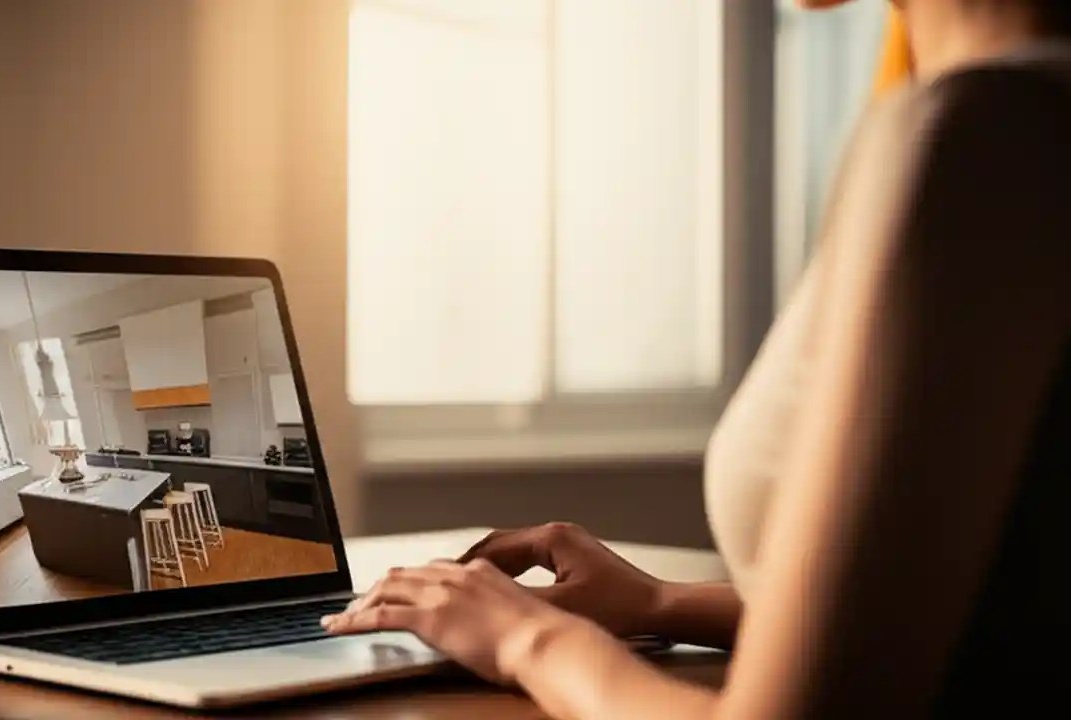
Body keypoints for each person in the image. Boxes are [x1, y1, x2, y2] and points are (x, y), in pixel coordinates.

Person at [323, 0, 1071, 716]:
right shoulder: (1011, 114)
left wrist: (526, 638)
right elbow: (978, 608)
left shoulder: (983, 135)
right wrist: (659, 602)